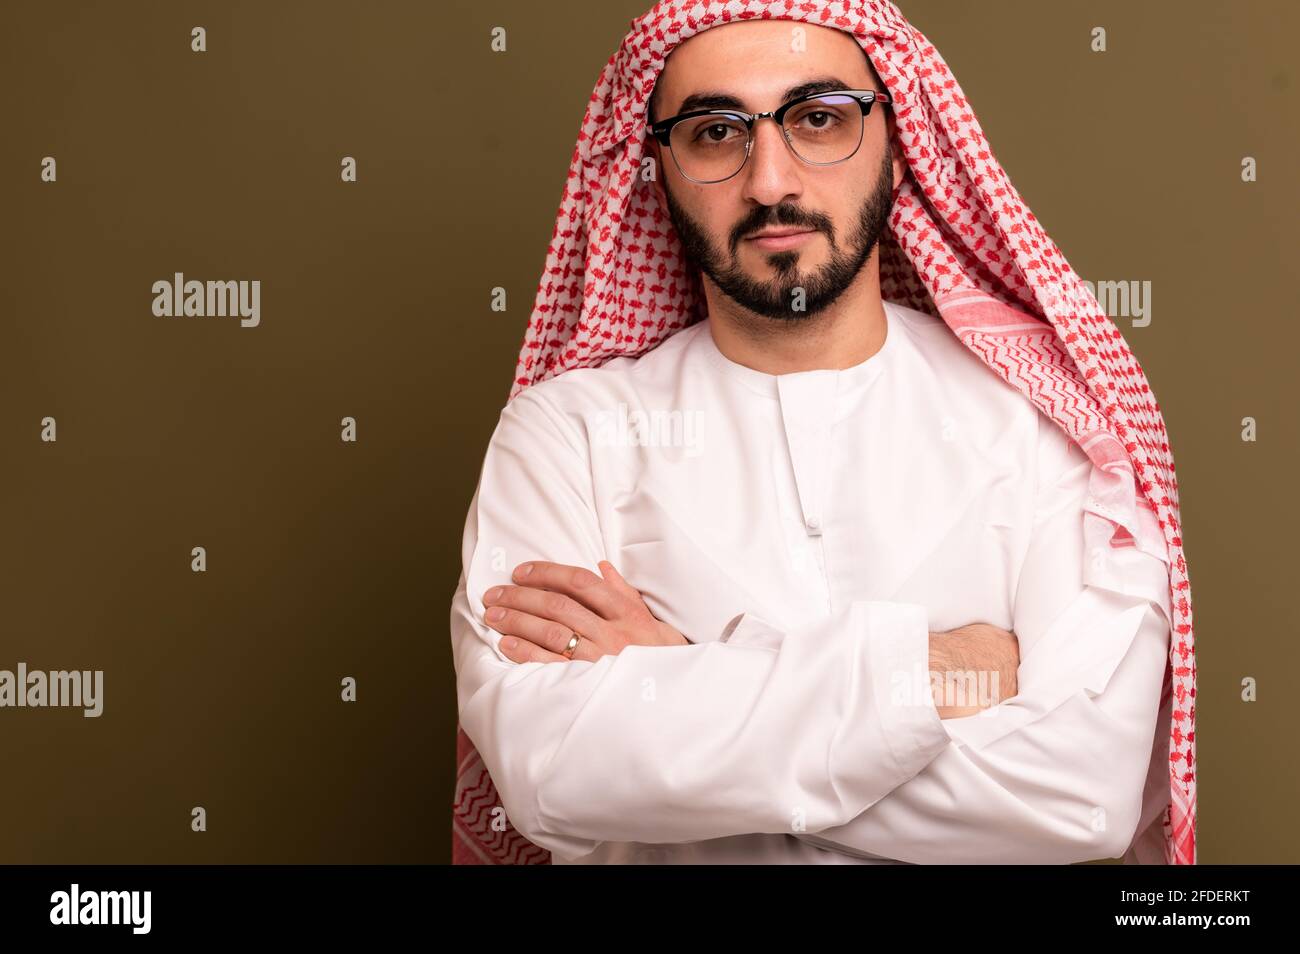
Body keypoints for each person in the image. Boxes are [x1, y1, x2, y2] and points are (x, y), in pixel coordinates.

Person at [449, 0, 1196, 866]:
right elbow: (553, 774)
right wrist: (929, 671)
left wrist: (687, 675)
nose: (770, 181)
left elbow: (1082, 794)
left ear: (896, 136)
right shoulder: (562, 437)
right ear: (657, 164)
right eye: (715, 132)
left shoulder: (1044, 424)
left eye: (818, 118)